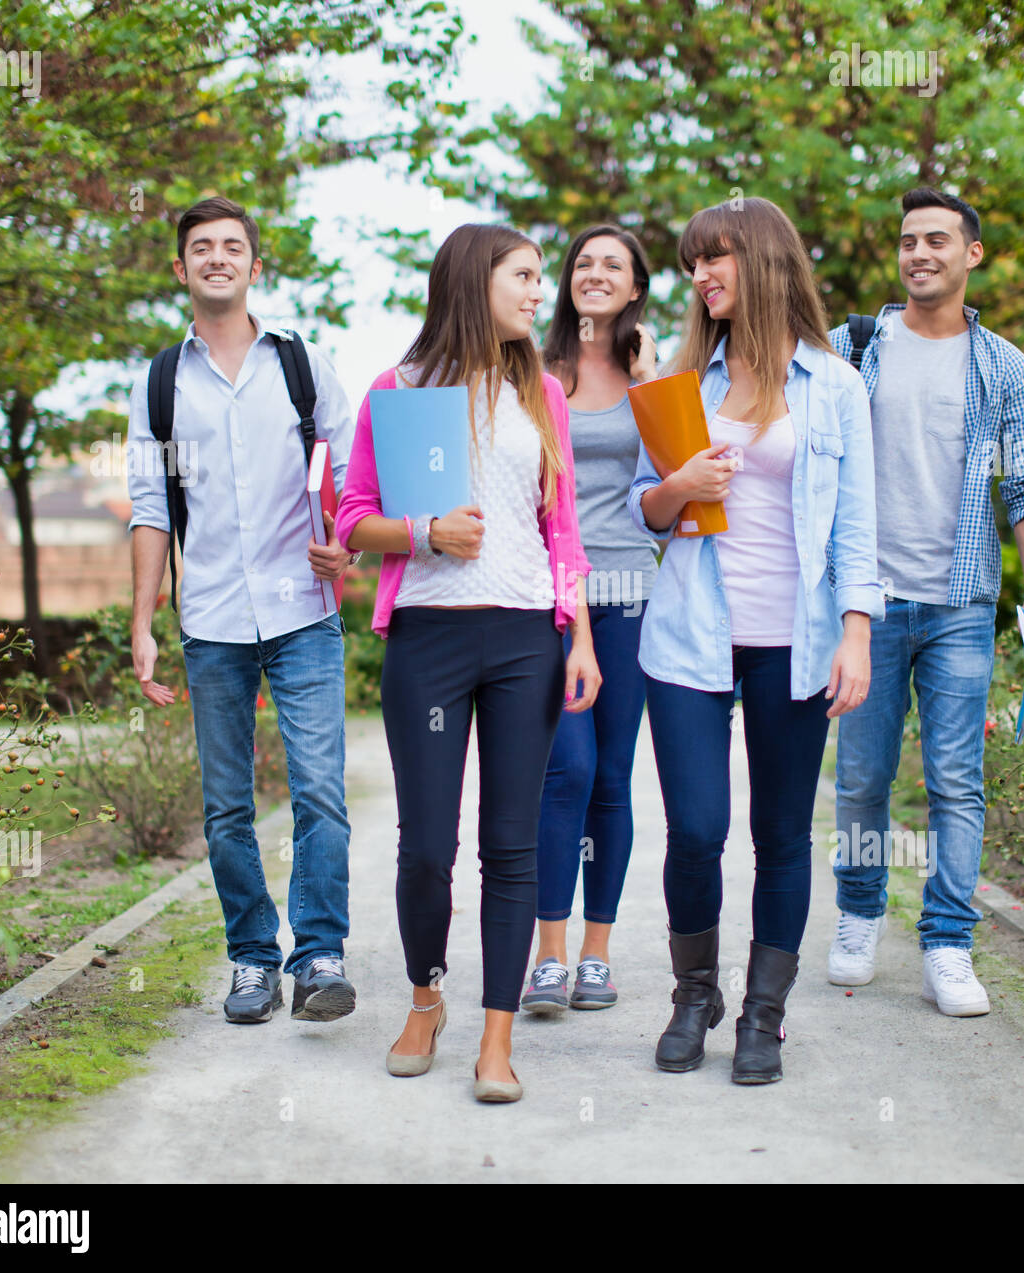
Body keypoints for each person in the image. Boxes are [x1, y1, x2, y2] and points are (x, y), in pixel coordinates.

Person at [335, 223, 601, 1103]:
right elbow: (352, 519)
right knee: (425, 846)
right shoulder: (399, 389)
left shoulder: (544, 394)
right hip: (430, 638)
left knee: (511, 844)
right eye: (523, 277)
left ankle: (497, 1038)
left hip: (527, 635)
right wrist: (423, 534)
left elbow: (564, 531)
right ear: (472, 281)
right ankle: (424, 998)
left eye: (538, 279)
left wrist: (582, 638)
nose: (538, 292)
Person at [629, 197, 882, 1084]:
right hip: (690, 637)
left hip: (797, 640)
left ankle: (763, 1015)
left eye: (717, 257)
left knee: (781, 834)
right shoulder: (683, 383)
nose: (701, 275)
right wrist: (679, 483)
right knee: (696, 829)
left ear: (767, 261)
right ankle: (692, 994)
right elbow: (644, 510)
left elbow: (858, 525)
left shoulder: (835, 384)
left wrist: (856, 632)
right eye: (695, 261)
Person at [127, 196, 359, 1025]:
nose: (217, 257)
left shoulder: (300, 362)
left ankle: (320, 954)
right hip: (212, 617)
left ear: (256, 267)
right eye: (201, 247)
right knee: (226, 805)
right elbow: (151, 506)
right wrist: (142, 623)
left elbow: (349, 475)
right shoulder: (158, 382)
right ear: (181, 268)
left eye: (233, 247)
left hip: (304, 609)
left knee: (320, 793)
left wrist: (350, 545)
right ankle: (252, 960)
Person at [826, 187, 1024, 1016]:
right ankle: (857, 918)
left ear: (972, 255)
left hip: (961, 601)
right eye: (907, 240)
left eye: (936, 240)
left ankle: (949, 944)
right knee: (862, 778)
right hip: (870, 603)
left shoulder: (1004, 367)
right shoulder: (853, 347)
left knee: (957, 780)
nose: (919, 253)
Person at [520, 223, 659, 1015]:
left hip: (631, 597)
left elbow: (681, 471)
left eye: (614, 264)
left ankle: (597, 955)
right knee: (564, 770)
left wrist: (649, 379)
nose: (595, 273)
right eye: (583, 262)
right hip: (550, 601)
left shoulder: (654, 374)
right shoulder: (533, 372)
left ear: (635, 286)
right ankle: (548, 952)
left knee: (611, 777)